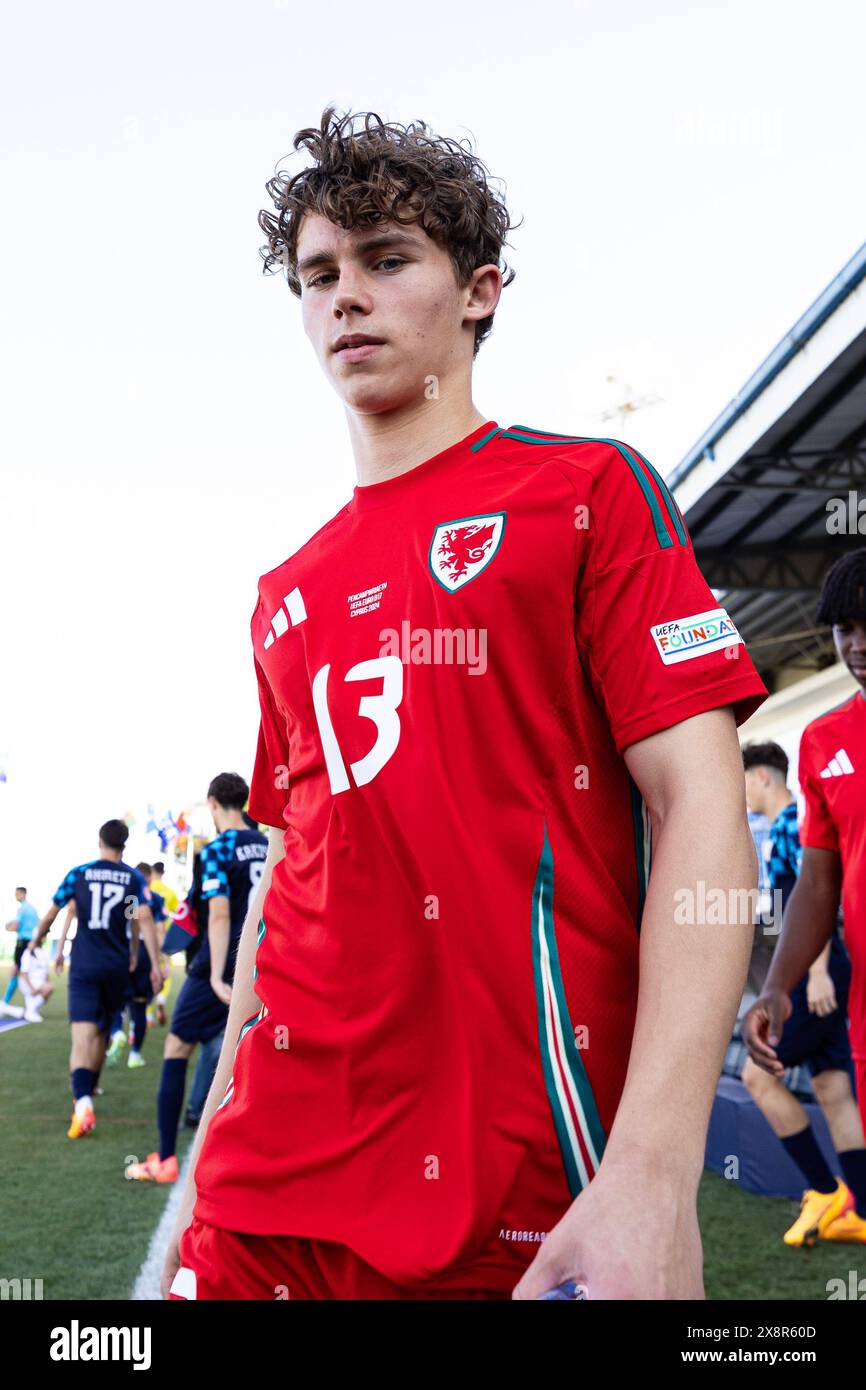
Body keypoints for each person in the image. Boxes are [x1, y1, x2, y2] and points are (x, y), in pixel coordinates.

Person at [163, 105, 768, 1302]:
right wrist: (202, 1160)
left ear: (479, 292)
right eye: (318, 274)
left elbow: (697, 804)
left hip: (506, 1188)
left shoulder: (584, 490)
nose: (346, 297)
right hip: (266, 1183)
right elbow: (294, 880)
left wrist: (653, 1170)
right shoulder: (282, 594)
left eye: (387, 261)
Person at [745, 548, 866, 1247]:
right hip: (861, 999)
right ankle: (834, 1195)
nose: (856, 644)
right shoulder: (822, 740)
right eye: (843, 628)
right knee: (835, 1091)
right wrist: (780, 988)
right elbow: (818, 883)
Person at [126, 774, 267, 1182]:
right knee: (252, 1061)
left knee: (175, 1049)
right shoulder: (270, 846)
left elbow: (220, 915)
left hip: (220, 971)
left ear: (213, 803)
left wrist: (223, 977)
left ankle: (166, 1160)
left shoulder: (218, 849)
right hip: (268, 967)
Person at [32, 819, 161, 1138]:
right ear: (124, 846)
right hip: (116, 965)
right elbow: (136, 920)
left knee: (82, 1036)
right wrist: (141, 957)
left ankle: (83, 1102)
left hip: (86, 964)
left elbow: (53, 913)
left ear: (100, 841)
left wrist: (37, 940)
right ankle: (92, 1086)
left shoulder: (80, 873)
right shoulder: (132, 878)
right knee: (103, 1029)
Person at [106, 862, 166, 1068]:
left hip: (122, 951)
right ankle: (135, 1054)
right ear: (148, 878)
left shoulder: (127, 893)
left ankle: (116, 1032)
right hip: (143, 952)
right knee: (139, 1006)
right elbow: (159, 931)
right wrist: (160, 961)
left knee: (116, 1002)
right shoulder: (155, 899)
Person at [1, 887, 40, 1014]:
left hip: (23, 943)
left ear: (23, 894)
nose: (16, 896)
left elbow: (15, 926)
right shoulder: (33, 909)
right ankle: (31, 1004)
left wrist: (8, 927)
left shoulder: (22, 909)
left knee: (17, 970)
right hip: (32, 943)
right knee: (25, 971)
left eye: (17, 894)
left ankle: (5, 1003)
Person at [149, 861, 177, 1026]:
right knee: (166, 972)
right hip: (164, 938)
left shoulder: (146, 890)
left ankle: (147, 1015)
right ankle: (161, 999)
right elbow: (179, 913)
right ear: (163, 873)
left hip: (148, 938)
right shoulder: (170, 893)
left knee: (148, 973)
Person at [17, 938, 54, 1022]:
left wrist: (48, 981)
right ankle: (30, 1011)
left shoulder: (43, 952)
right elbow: (24, 974)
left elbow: (45, 972)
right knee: (49, 988)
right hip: (28, 982)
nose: (45, 938)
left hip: (39, 982)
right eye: (44, 936)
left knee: (48, 988)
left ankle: (30, 1011)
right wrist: (31, 988)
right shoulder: (28, 953)